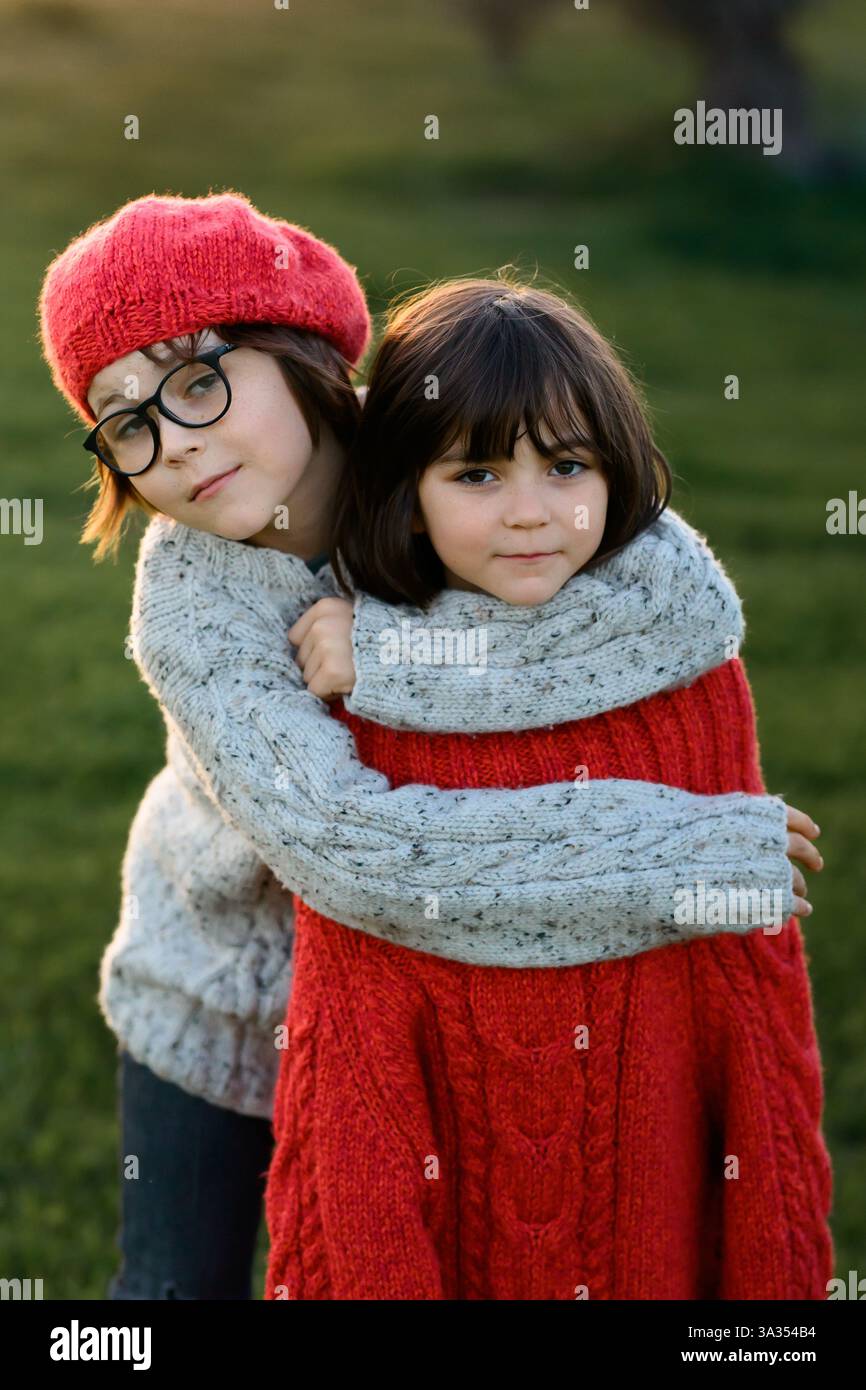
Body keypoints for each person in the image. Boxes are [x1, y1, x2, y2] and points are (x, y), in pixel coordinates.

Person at [38, 194, 822, 1299]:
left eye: (199, 380)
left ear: (300, 348)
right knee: (173, 1295)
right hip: (226, 991)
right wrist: (671, 857)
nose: (176, 442)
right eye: (129, 424)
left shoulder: (444, 432)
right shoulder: (192, 604)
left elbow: (675, 605)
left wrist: (407, 663)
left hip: (436, 987)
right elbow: (356, 852)